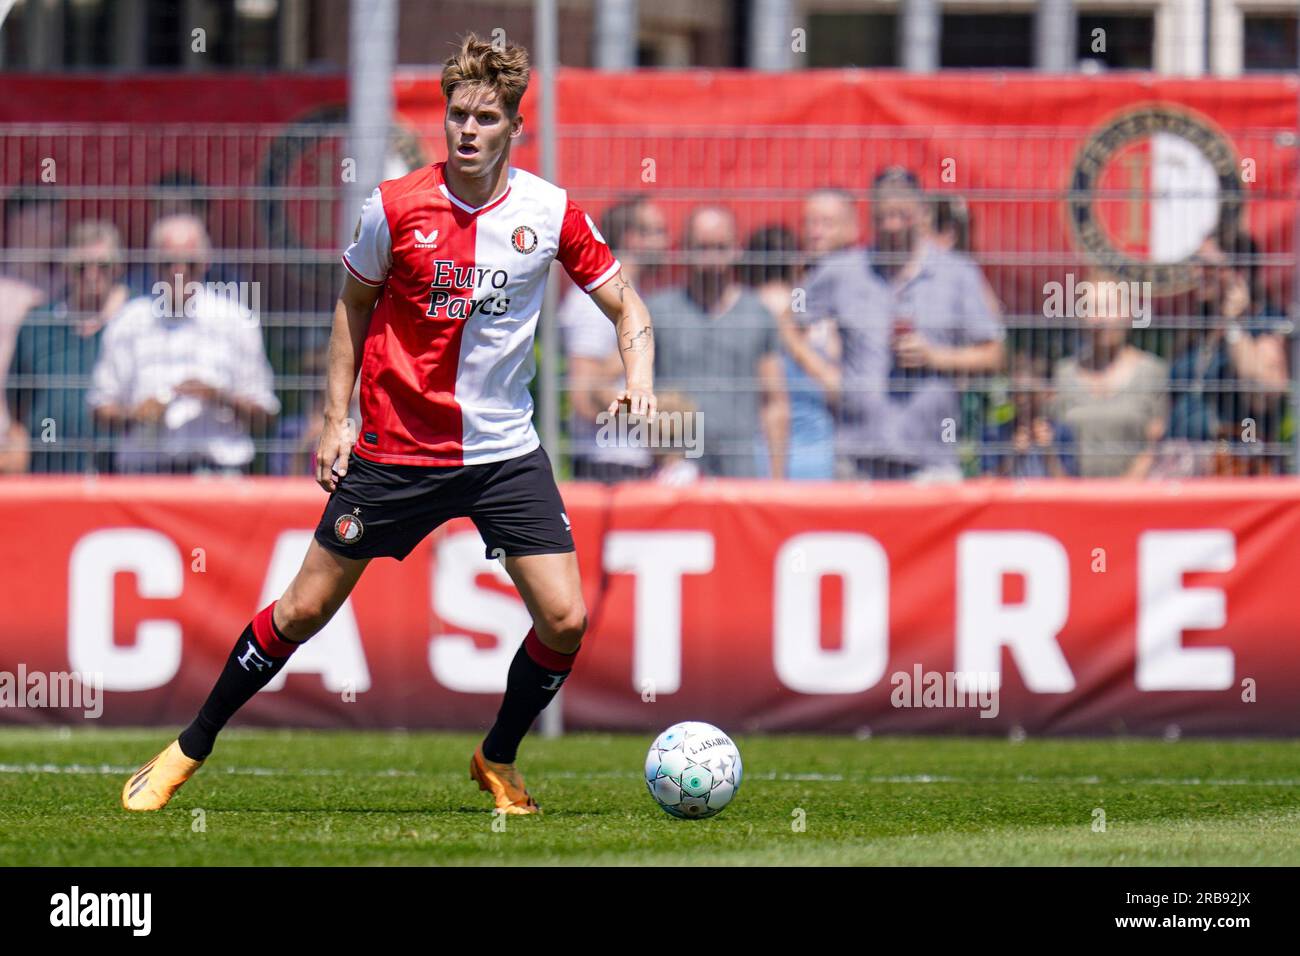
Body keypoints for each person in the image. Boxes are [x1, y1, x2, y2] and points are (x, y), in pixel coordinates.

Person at [120, 34, 657, 816]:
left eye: (486, 117)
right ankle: (187, 748)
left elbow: (626, 305)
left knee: (567, 619)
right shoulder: (395, 204)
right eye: (457, 114)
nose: (467, 129)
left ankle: (497, 758)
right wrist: (334, 421)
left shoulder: (549, 212)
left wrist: (639, 378)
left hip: (504, 452)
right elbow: (352, 308)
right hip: (396, 451)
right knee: (302, 610)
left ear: (514, 127)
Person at [791, 167, 1004, 480]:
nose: (891, 223)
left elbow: (994, 354)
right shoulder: (842, 271)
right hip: (857, 459)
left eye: (900, 213)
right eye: (883, 214)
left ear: (921, 213)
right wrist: (822, 372)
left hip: (932, 461)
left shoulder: (958, 274)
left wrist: (935, 357)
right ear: (871, 216)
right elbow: (787, 320)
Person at [88, 214, 279, 474]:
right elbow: (100, 406)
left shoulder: (235, 321)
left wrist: (218, 396)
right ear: (154, 265)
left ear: (205, 263)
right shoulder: (128, 322)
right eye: (169, 263)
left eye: (189, 263)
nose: (179, 273)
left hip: (218, 472)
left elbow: (265, 415)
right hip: (145, 474)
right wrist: (135, 415)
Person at [645, 205, 788, 478]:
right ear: (685, 249)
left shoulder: (757, 314)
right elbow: (621, 385)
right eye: (702, 247)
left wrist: (777, 478)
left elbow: (774, 402)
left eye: (720, 247)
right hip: (676, 465)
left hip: (739, 465)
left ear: (737, 249)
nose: (711, 257)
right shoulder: (657, 311)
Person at [6, 221, 130, 473]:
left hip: (120, 474)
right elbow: (16, 401)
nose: (92, 275)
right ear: (66, 268)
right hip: (49, 472)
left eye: (102, 266)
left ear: (118, 267)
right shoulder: (38, 324)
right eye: (81, 267)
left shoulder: (138, 321)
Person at [560, 195, 668, 481]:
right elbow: (582, 395)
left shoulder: (632, 296)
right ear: (631, 237)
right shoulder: (591, 302)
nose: (667, 242)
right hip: (605, 463)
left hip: (629, 458)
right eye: (657, 232)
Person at [1167, 230, 1290, 475]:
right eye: (1196, 265)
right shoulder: (1197, 328)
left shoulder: (1264, 324)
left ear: (1239, 272)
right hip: (1183, 467)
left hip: (1235, 468)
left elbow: (1263, 391)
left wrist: (1235, 323)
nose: (1197, 274)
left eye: (1209, 267)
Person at [1051, 273, 1168, 478]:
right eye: (1091, 309)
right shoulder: (1064, 374)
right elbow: (1051, 446)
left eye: (1110, 308)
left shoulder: (1153, 373)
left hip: (1136, 499)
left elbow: (1156, 446)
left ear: (1130, 313)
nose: (1100, 319)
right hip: (1075, 500)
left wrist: (1121, 495)